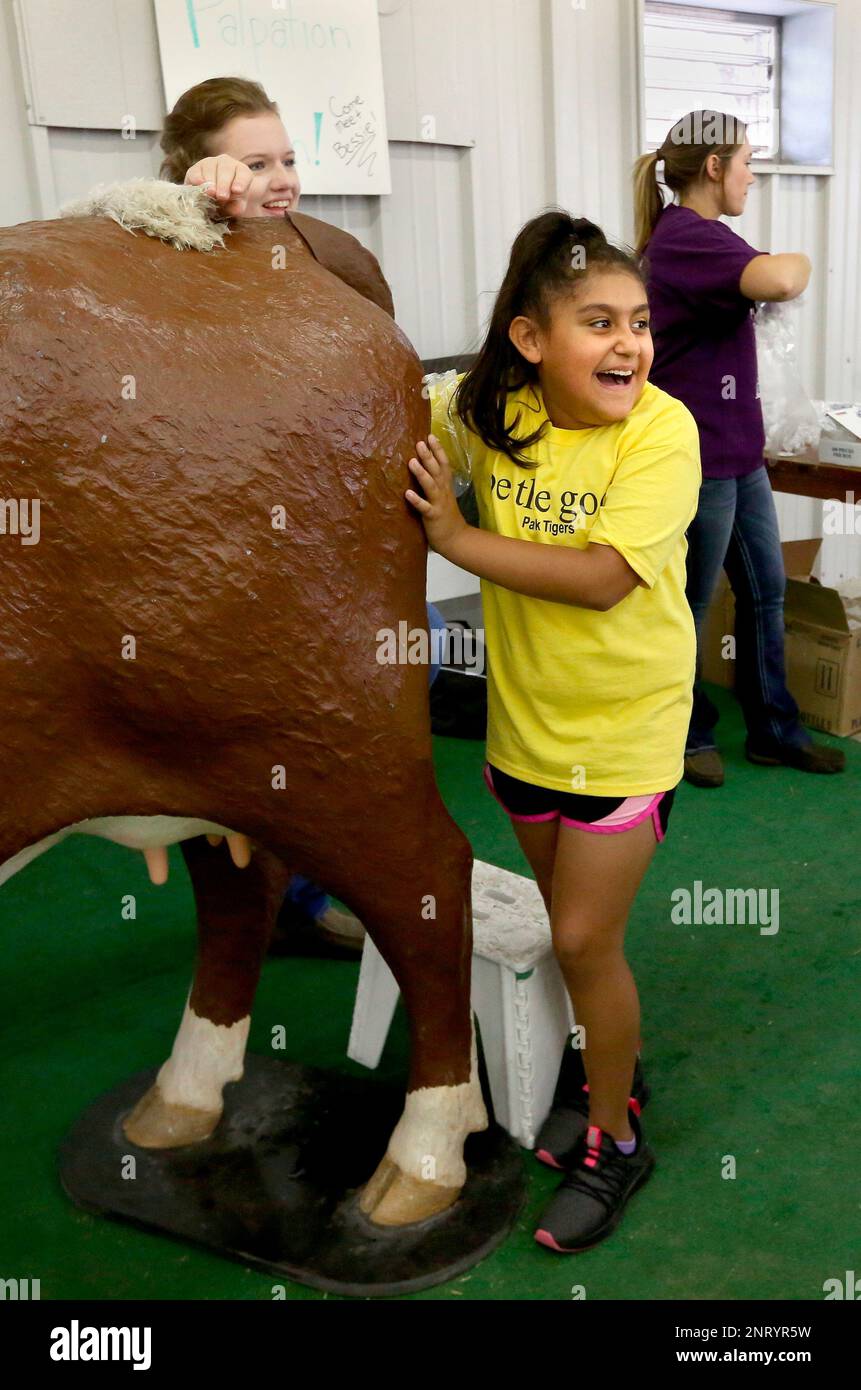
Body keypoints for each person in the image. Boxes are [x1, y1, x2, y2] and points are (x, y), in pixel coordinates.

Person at [410, 211, 701, 1252]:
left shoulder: (663, 430)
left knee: (583, 938)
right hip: (525, 732)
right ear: (532, 339)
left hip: (629, 734)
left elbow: (602, 579)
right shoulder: (487, 409)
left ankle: (618, 1139)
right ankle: (608, 1067)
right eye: (598, 322)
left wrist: (457, 536)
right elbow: (388, 415)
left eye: (639, 321)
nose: (629, 343)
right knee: (570, 929)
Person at [158, 78, 449, 954]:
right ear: (199, 171)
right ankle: (274, 890)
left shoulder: (319, 259)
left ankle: (300, 880)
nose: (281, 178)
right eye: (254, 162)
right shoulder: (174, 253)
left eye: (287, 158)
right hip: (229, 554)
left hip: (319, 545)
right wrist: (191, 204)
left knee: (409, 653)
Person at [633, 111, 844, 788]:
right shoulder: (686, 240)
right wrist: (804, 258)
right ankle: (685, 735)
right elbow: (781, 279)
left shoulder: (706, 237)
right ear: (715, 166)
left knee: (764, 590)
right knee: (690, 603)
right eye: (747, 161)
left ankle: (772, 730)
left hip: (736, 451)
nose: (752, 175)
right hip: (694, 456)